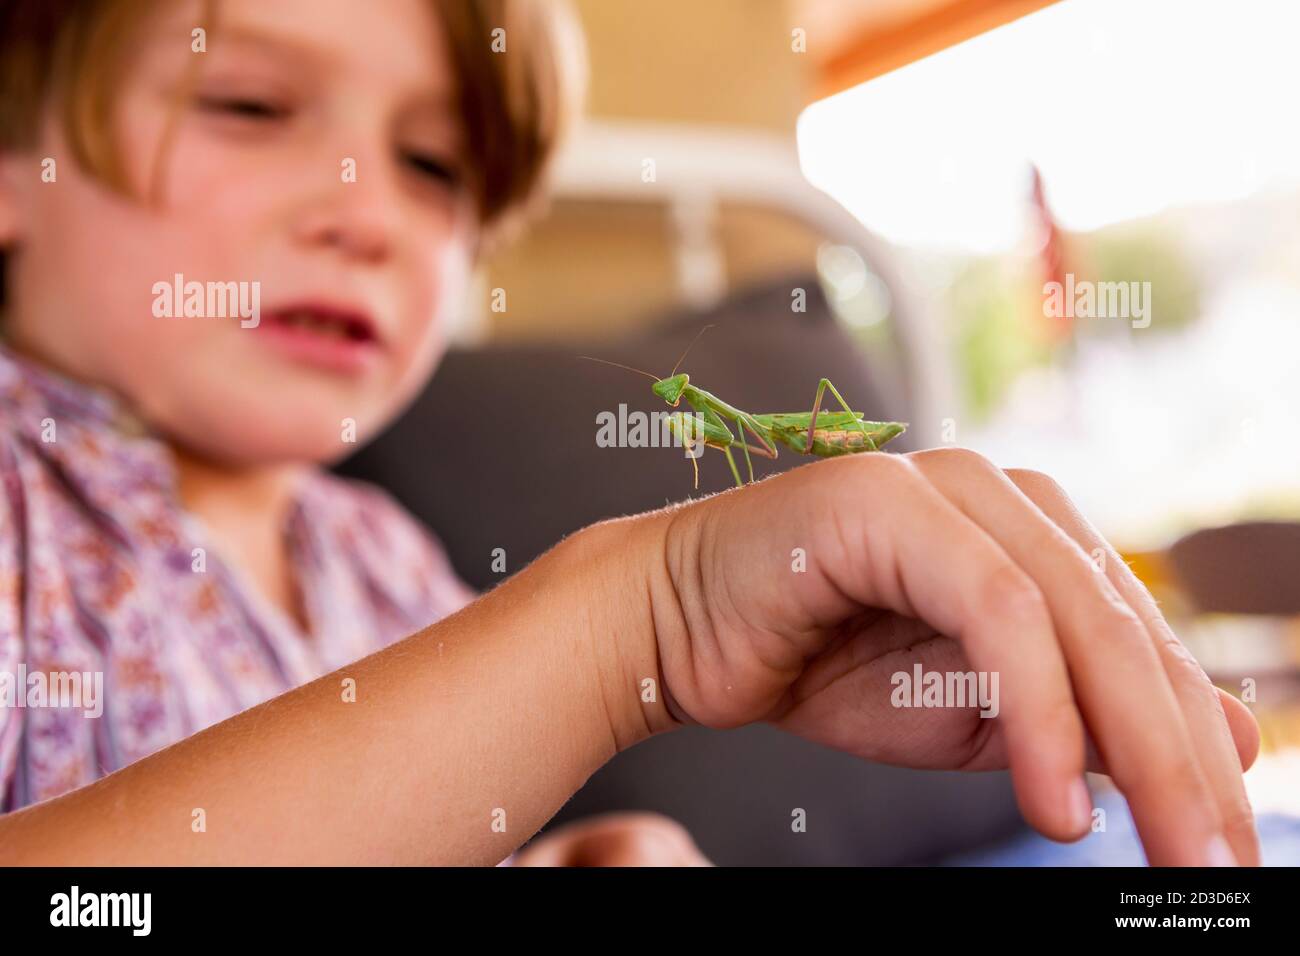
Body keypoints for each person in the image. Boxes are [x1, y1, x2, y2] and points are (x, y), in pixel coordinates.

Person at [0, 0, 1259, 867]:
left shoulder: (388, 565)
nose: (364, 211)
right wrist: (630, 617)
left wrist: (565, 854)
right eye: (251, 104)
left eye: (435, 166)